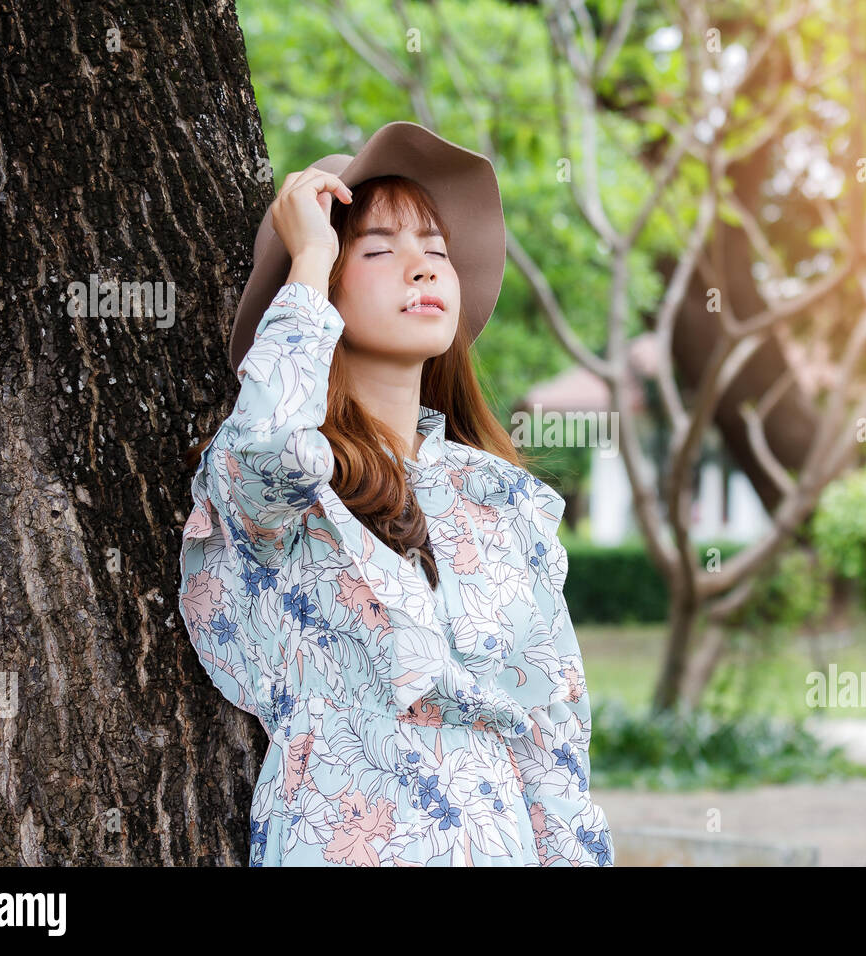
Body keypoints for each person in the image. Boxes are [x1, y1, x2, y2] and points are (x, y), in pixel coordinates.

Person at [176, 122, 615, 866]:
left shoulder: (504, 502)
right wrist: (310, 256)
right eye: (378, 249)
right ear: (317, 293)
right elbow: (271, 447)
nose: (422, 267)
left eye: (436, 251)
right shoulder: (291, 486)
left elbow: (553, 739)